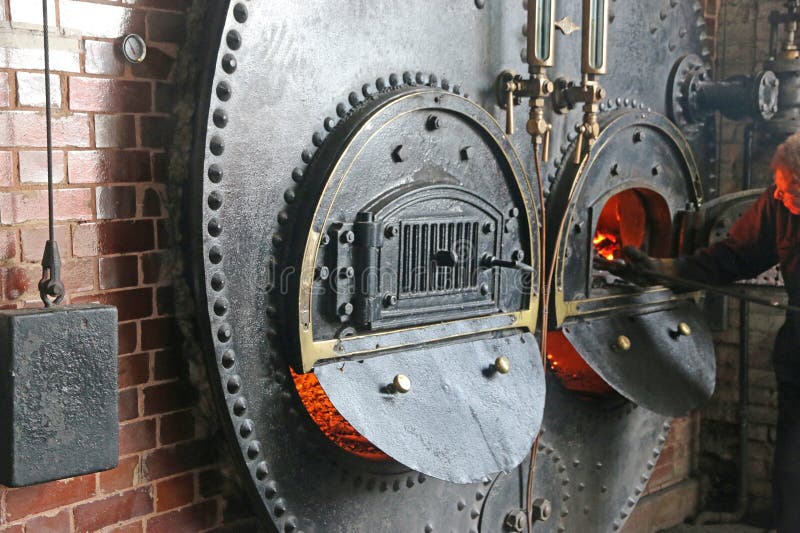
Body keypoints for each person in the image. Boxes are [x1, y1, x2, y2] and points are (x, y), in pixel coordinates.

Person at [623, 130, 800, 532]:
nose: (784, 199)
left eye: (795, 196)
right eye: (782, 190)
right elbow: (735, 256)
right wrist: (668, 270)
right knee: (794, 471)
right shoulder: (779, 202)